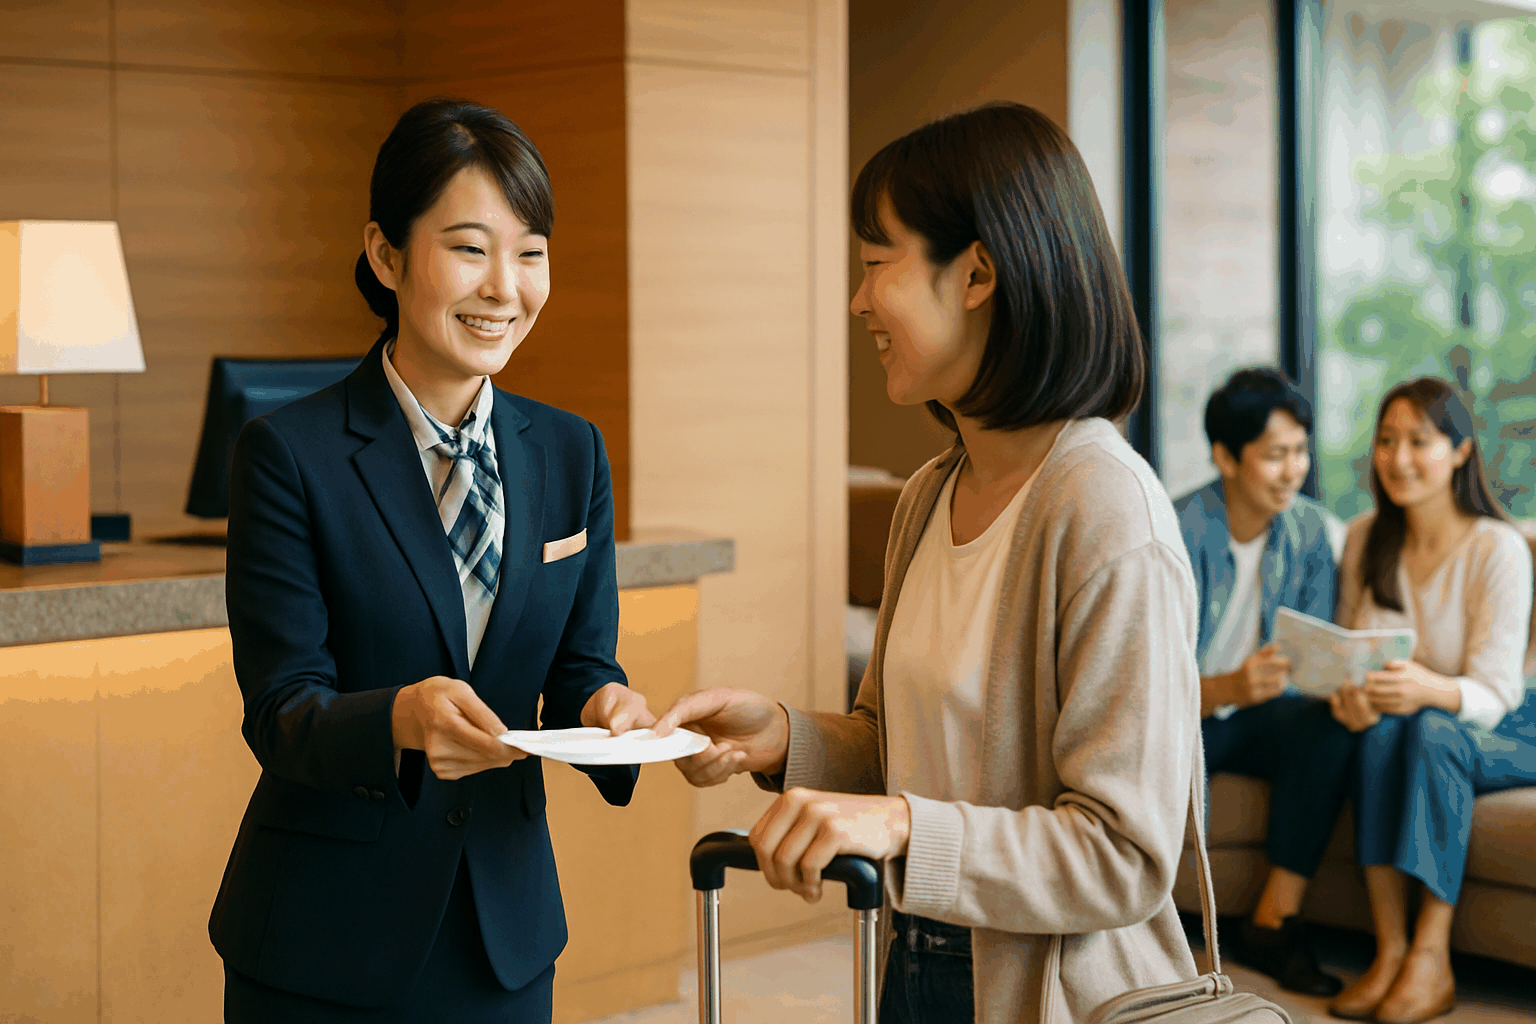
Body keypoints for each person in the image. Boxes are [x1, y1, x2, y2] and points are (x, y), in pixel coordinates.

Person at [653, 102, 1203, 1024]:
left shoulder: (1106, 511)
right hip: (915, 953)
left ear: (979, 272)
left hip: (1054, 995)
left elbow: (1127, 857)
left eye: (878, 265)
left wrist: (904, 827)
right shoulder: (929, 495)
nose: (860, 301)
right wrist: (787, 737)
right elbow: (907, 752)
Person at [209, 98, 652, 1022]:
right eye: (469, 247)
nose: (505, 286)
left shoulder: (573, 454)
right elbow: (282, 711)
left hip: (505, 937)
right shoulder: (289, 454)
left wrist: (607, 708)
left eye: (529, 252)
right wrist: (400, 720)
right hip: (325, 940)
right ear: (385, 254)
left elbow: (578, 666)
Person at [1327, 377, 1535, 1024]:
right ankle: (1389, 950)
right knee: (1384, 731)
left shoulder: (1495, 548)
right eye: (1387, 441)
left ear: (1461, 451)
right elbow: (1347, 656)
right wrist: (1351, 701)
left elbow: (1498, 690)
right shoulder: (1365, 538)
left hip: (1509, 722)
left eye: (1420, 440)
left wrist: (1426, 690)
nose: (1399, 457)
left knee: (1429, 730)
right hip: (1408, 721)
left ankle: (1431, 954)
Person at [1173, 368, 1356, 996]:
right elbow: (1137, 687)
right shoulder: (1175, 532)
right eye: (1275, 455)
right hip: (1187, 714)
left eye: (1300, 452)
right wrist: (1226, 689)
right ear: (1226, 456)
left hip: (1265, 712)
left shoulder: (1309, 531)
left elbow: (1314, 650)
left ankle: (1274, 921)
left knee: (1332, 726)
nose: (1293, 469)